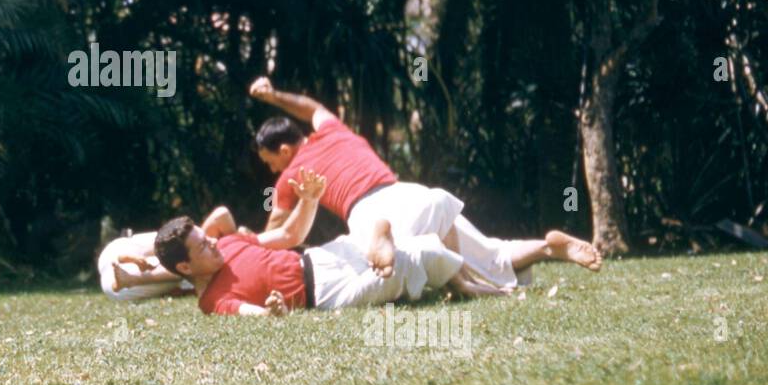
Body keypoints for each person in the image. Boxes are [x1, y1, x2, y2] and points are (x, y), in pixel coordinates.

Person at [249, 76, 602, 291]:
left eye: (270, 162)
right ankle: (548, 247)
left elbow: (276, 234)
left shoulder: (289, 177)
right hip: (413, 195)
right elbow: (313, 108)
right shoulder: (332, 130)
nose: (271, 171)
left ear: (283, 150)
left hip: (369, 215)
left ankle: (409, 252)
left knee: (385, 276)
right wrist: (272, 95)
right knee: (490, 255)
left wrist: (242, 244)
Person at [152, 168, 481, 315]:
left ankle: (383, 237)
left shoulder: (229, 245)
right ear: (185, 266)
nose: (212, 242)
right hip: (324, 293)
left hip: (321, 258)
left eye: (206, 237)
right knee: (418, 255)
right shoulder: (212, 299)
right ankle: (465, 284)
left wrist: (308, 201)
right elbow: (248, 313)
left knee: (414, 246)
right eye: (202, 246)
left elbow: (288, 236)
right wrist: (273, 311)